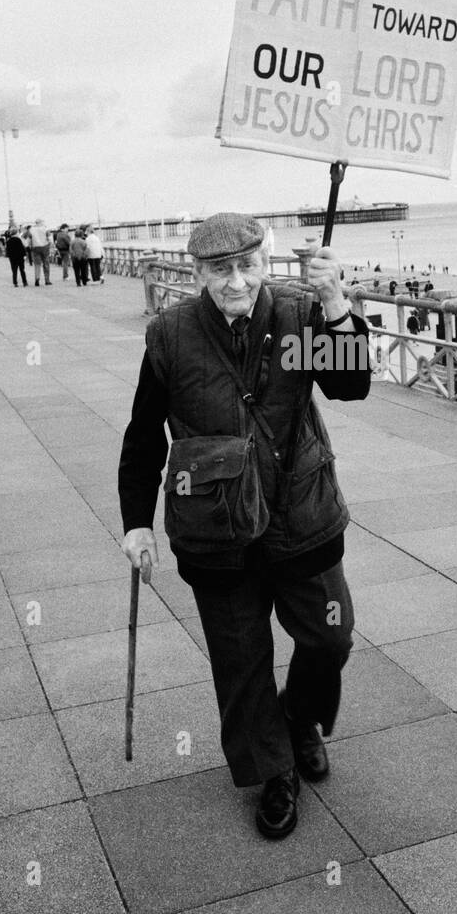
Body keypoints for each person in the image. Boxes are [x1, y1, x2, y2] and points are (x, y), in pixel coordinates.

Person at [119, 213, 371, 841]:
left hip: (301, 514)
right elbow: (144, 435)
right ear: (197, 271)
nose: (236, 281)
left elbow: (351, 385)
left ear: (267, 261)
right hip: (217, 527)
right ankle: (274, 771)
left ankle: (301, 718)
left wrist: (336, 302)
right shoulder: (171, 335)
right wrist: (136, 524)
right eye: (220, 269)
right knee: (240, 660)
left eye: (247, 265)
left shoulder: (298, 316)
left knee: (329, 637)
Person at [29, 218, 52, 285]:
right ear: (41, 222)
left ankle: (37, 279)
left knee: (37, 264)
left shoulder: (31, 229)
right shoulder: (45, 228)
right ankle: (47, 280)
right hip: (44, 247)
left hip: (35, 248)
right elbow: (50, 238)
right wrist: (49, 244)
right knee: (46, 263)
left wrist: (30, 246)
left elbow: (27, 239)